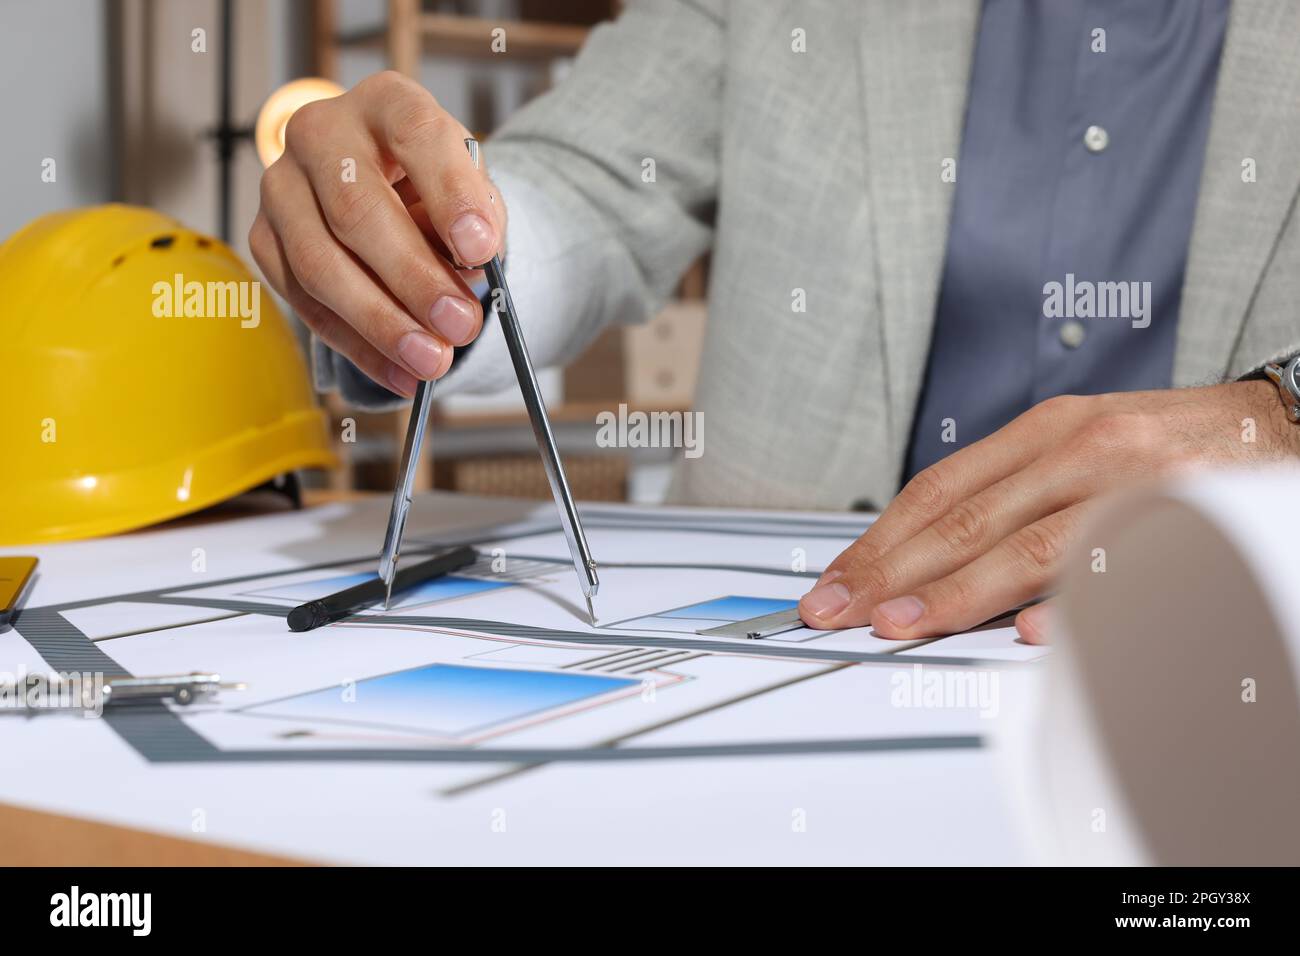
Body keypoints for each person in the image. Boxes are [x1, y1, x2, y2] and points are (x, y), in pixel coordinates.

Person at [250, 0, 1300, 643]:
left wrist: (1281, 419)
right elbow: (591, 184)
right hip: (790, 641)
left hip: (1216, 664)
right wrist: (432, 241)